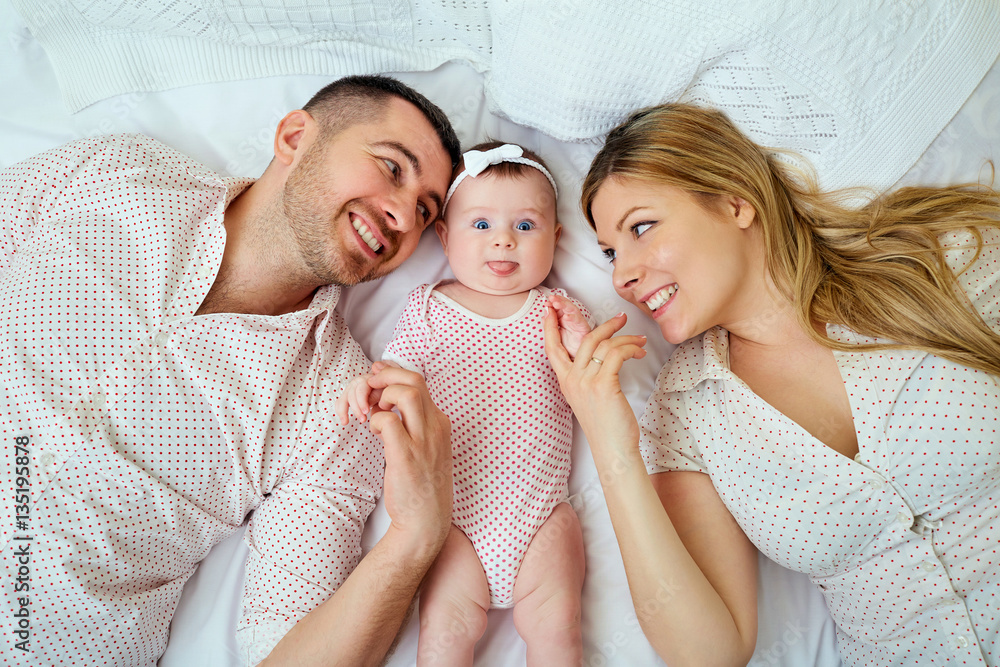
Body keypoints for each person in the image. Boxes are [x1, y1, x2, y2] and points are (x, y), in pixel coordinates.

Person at [0, 75, 463, 667]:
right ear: (295, 137)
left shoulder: (341, 406)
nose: (402, 216)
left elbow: (285, 656)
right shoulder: (119, 174)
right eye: (392, 169)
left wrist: (416, 537)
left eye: (425, 211)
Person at [544, 103, 1000, 667]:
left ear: (736, 202)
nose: (621, 275)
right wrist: (609, 439)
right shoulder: (687, 409)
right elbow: (709, 652)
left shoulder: (934, 261)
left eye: (641, 228)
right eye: (611, 252)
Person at [338, 141, 593, 665]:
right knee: (445, 631)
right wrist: (370, 386)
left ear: (555, 238)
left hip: (541, 511)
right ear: (445, 237)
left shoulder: (556, 309)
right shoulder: (428, 309)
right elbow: (396, 375)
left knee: (558, 625)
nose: (503, 239)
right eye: (481, 225)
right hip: (453, 518)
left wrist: (581, 336)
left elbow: (590, 382)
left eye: (525, 226)